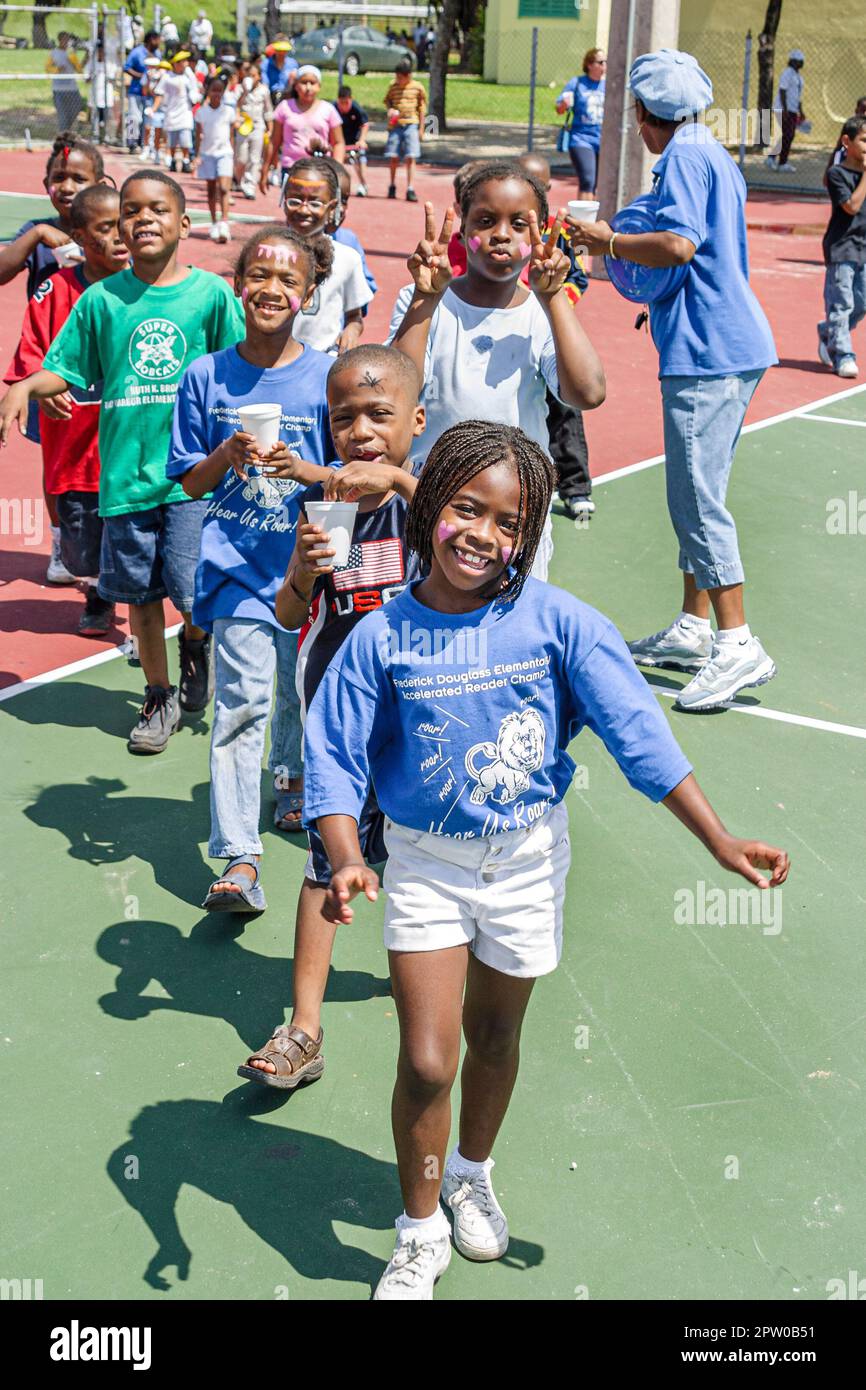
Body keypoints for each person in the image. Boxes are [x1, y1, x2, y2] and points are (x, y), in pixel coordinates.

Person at [299, 419, 790, 1300]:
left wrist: (718, 839)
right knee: (426, 1060)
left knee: (495, 1036)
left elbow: (638, 734)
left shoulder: (561, 624)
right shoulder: (383, 637)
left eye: (509, 522)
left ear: (529, 538)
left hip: (526, 858)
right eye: (464, 508)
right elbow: (333, 758)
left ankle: (471, 1174)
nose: (483, 534)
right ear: (428, 509)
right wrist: (344, 856)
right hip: (426, 863)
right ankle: (418, 1233)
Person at [0, 172, 245, 753]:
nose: (143, 220)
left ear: (184, 223)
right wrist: (24, 388)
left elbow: (239, 366)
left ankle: (196, 645)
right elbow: (68, 367)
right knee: (139, 597)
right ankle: (157, 694)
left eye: (157, 209)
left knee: (191, 592)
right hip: (124, 479)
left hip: (189, 477)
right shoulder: (100, 300)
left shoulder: (209, 294)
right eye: (131, 211)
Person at [568, 48, 778, 711]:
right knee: (701, 489)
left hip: (708, 349)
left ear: (639, 113)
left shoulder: (684, 157)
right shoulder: (710, 150)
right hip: (730, 343)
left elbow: (680, 243)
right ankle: (692, 627)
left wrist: (607, 243)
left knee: (695, 500)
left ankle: (737, 642)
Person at [238, 343, 426, 1086]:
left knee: (424, 865)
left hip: (421, 725)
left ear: (415, 419)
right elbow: (291, 615)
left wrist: (403, 480)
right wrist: (301, 569)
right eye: (344, 418)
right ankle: (304, 1028)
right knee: (324, 868)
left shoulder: (429, 504)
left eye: (380, 415)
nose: (361, 431)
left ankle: (442, 985)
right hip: (339, 726)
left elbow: (476, 539)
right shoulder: (322, 512)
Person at [168, 227, 337, 908]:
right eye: (258, 275)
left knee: (301, 697)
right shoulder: (205, 376)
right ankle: (239, 856)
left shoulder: (328, 375)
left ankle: (291, 780)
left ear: (309, 293)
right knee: (242, 704)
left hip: (307, 569)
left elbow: (350, 475)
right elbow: (188, 481)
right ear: (239, 284)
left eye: (287, 279)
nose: (271, 288)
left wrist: (303, 469)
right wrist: (226, 455)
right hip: (236, 567)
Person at [389, 163, 605, 581]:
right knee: (429, 616)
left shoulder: (541, 313)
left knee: (510, 626)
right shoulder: (426, 302)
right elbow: (397, 391)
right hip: (433, 496)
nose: (501, 234)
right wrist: (424, 300)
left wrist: (555, 298)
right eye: (485, 221)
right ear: (461, 226)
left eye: (519, 224)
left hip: (516, 502)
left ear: (541, 230)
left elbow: (588, 393)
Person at [3, 185, 129, 637]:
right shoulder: (54, 291)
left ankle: (114, 599)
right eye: (105, 228)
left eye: (124, 224)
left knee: (134, 536)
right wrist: (37, 387)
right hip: (74, 447)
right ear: (78, 235)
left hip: (130, 446)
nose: (120, 236)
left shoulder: (147, 289)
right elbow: (30, 354)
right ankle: (97, 589)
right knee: (83, 544)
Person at [0, 132, 106, 584]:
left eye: (78, 178)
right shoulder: (39, 236)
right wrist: (39, 234)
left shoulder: (111, 235)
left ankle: (102, 541)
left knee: (101, 459)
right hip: (49, 371)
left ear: (100, 183)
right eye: (58, 177)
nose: (66, 186)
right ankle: (62, 541)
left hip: (98, 368)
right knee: (56, 464)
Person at [518, 151, 594, 522]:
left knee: (565, 407)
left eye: (538, 185)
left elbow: (578, 277)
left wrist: (554, 303)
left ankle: (576, 486)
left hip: (548, 331)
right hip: (511, 335)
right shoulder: (503, 228)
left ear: (548, 189)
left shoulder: (560, 231)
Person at [281, 158, 372, 353]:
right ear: (283, 199)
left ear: (332, 207)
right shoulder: (266, 252)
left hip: (323, 364)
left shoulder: (347, 258)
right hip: (272, 363)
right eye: (295, 200)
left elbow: (354, 317)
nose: (304, 209)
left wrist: (351, 331)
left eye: (315, 203)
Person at [818, 115, 866, 379]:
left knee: (861, 304)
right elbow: (851, 206)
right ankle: (843, 356)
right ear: (847, 142)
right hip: (842, 248)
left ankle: (828, 331)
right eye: (864, 140)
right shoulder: (837, 174)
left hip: (864, 247)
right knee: (842, 304)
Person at [261, 64, 344, 191]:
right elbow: (274, 141)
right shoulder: (284, 108)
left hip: (321, 169)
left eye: (313, 83)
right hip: (291, 168)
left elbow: (338, 143)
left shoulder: (328, 110)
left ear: (319, 86)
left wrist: (338, 170)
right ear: (296, 85)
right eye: (304, 82)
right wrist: (265, 170)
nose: (308, 87)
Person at [322, 157, 377, 300]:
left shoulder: (348, 241)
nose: (339, 209)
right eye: (332, 200)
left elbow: (367, 287)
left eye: (344, 200)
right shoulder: (288, 242)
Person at [555, 47, 606, 198]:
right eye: (601, 62)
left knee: (597, 183)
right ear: (590, 64)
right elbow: (559, 109)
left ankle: (593, 218)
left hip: (603, 140)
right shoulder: (577, 83)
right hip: (581, 139)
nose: (605, 65)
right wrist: (564, 104)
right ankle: (582, 220)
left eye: (606, 62)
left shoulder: (609, 85)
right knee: (587, 180)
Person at [194, 74, 239, 243]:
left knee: (225, 188)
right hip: (207, 154)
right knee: (212, 189)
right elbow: (198, 136)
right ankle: (213, 222)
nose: (217, 94)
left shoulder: (228, 111)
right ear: (208, 90)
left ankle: (224, 222)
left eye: (220, 91)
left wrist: (232, 154)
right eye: (214, 90)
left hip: (225, 153)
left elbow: (232, 136)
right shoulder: (201, 112)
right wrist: (197, 155)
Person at [385, 57, 426, 203]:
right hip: (396, 125)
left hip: (411, 124)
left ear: (408, 76)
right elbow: (388, 100)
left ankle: (410, 187)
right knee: (393, 156)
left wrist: (422, 128)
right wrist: (390, 109)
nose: (397, 79)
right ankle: (392, 185)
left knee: (411, 156)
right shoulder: (393, 86)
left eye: (400, 77)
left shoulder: (418, 87)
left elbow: (421, 108)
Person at [154, 51, 198, 174]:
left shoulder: (188, 76)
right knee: (172, 140)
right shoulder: (167, 77)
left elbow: (195, 91)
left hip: (185, 112)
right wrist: (154, 108)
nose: (186, 64)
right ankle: (173, 160)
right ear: (176, 64)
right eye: (183, 62)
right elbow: (159, 93)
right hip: (172, 112)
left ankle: (185, 160)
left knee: (185, 139)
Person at [235, 61, 272, 199]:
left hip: (257, 126)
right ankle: (238, 178)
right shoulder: (240, 89)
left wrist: (270, 128)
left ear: (259, 77)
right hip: (244, 126)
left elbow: (268, 110)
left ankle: (250, 186)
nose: (251, 78)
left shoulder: (264, 91)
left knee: (255, 158)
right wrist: (245, 92)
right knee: (241, 158)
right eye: (249, 75)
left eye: (254, 75)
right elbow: (237, 106)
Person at [768, 49, 805, 172]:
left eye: (801, 61)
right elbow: (782, 91)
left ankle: (774, 159)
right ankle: (779, 162)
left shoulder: (799, 77)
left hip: (793, 109)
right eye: (798, 61)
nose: (800, 63)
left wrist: (801, 111)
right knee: (786, 135)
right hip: (783, 109)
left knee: (788, 136)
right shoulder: (787, 73)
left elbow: (798, 96)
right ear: (792, 61)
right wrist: (784, 109)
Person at [124, 30, 161, 151]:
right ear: (151, 39)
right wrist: (141, 76)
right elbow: (127, 67)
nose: (159, 42)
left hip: (151, 93)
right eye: (157, 40)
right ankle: (131, 143)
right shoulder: (137, 52)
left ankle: (143, 143)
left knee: (147, 119)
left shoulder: (158, 54)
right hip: (136, 91)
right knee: (134, 118)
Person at [335, 85, 369, 197]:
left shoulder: (356, 109)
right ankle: (335, 185)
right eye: (341, 102)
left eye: (346, 102)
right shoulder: (333, 108)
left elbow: (365, 124)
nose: (344, 106)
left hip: (354, 141)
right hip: (339, 141)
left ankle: (363, 184)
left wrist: (362, 140)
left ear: (351, 99)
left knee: (359, 159)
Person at [47, 32, 84, 133]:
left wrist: (73, 61)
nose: (66, 42)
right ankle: (63, 135)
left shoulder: (71, 53)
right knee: (62, 114)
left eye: (68, 40)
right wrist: (57, 69)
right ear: (59, 40)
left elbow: (79, 70)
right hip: (58, 88)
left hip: (72, 88)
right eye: (64, 39)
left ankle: (66, 130)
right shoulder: (54, 53)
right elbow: (48, 68)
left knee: (77, 107)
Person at [84, 39, 117, 141]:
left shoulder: (109, 64)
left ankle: (106, 136)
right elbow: (86, 78)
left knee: (106, 117)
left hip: (106, 94)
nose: (101, 53)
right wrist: (92, 75)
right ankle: (95, 135)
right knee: (95, 116)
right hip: (95, 94)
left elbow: (112, 77)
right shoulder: (91, 63)